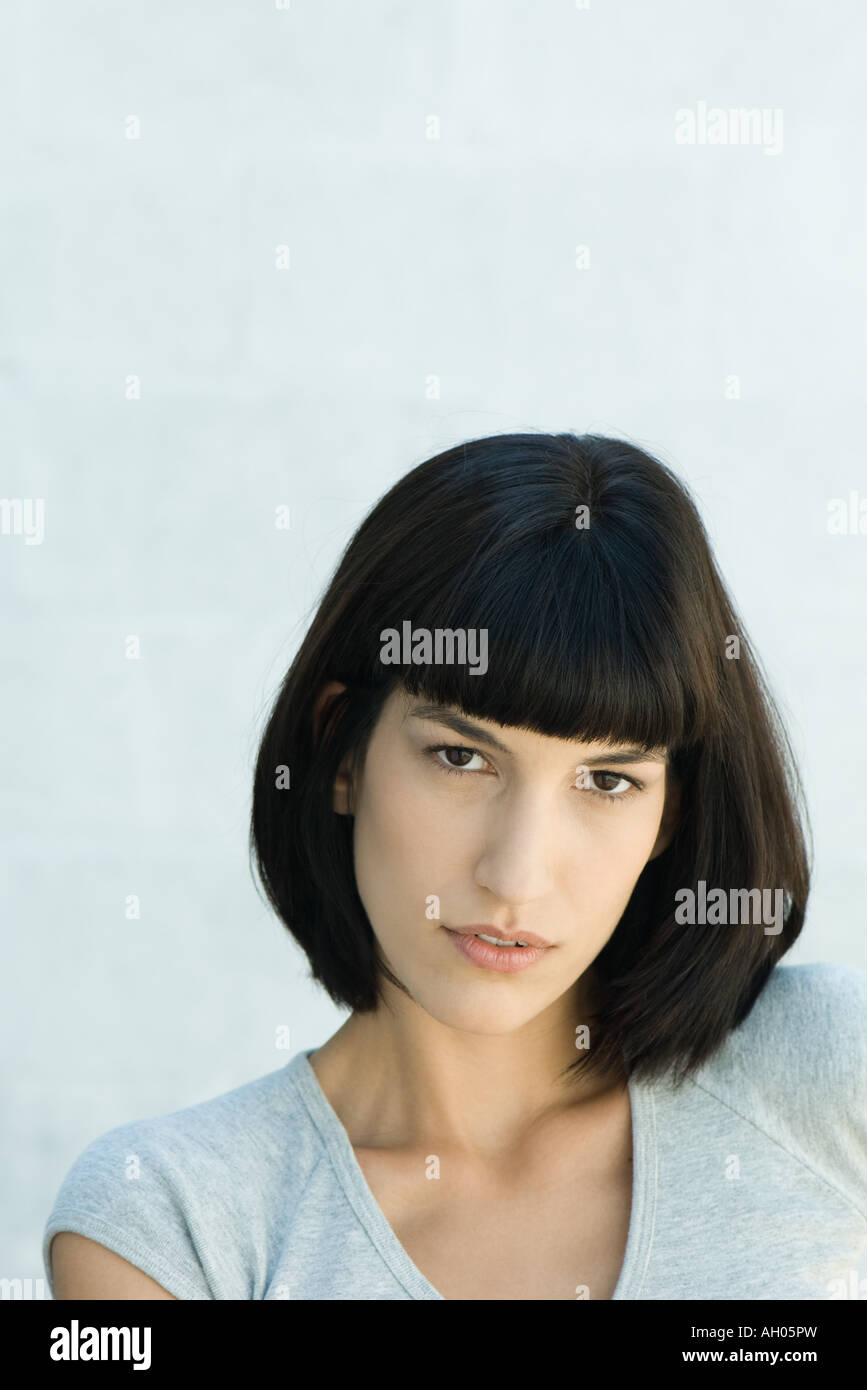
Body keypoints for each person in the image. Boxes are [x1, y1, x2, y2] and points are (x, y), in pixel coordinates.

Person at [45, 432, 867, 1300]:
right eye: (459, 759)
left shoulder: (820, 1072)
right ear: (341, 752)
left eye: (608, 779)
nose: (516, 877)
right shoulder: (165, 1223)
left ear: (672, 814)